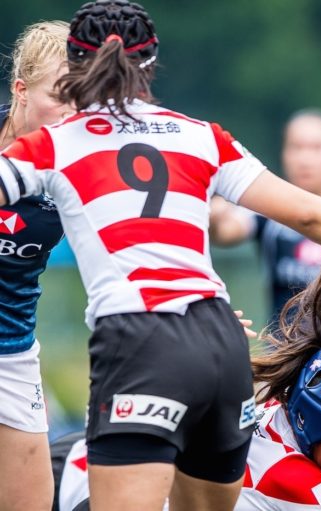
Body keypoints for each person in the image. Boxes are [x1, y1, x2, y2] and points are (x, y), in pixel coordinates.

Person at [0, 2, 321, 510]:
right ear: (151, 66)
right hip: (221, 345)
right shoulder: (199, 133)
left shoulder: (55, 143)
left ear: (75, 70)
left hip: (140, 345)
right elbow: (308, 213)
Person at [50, 261, 321, 510]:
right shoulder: (299, 481)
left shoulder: (281, 407)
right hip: (82, 488)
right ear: (312, 429)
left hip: (82, 461)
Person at [209, 109, 321, 347]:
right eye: (296, 147)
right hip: (283, 359)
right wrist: (212, 213)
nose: (305, 158)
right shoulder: (267, 211)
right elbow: (225, 232)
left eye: (316, 148)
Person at [0, 20, 72, 511]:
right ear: (21, 90)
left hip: (12, 349)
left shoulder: (82, 165)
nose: (72, 113)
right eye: (60, 95)